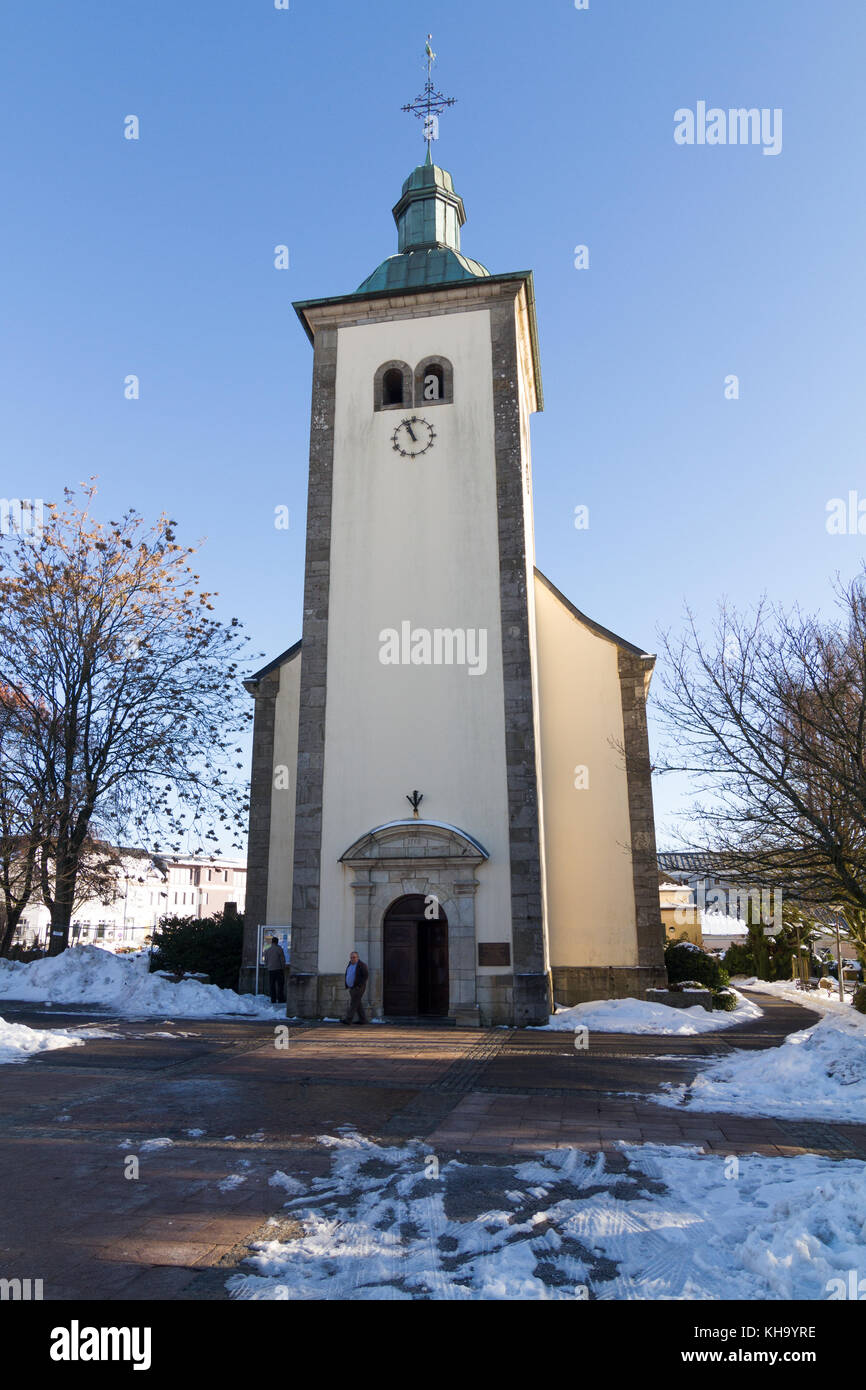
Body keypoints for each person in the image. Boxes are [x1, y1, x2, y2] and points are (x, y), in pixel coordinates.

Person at [342, 950, 368, 1024]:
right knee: (358, 1003)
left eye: (354, 957)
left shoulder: (362, 965)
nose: (352, 959)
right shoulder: (350, 964)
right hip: (351, 988)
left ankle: (348, 1019)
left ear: (357, 957)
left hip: (358, 988)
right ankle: (363, 1020)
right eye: (351, 957)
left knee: (353, 1004)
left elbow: (365, 976)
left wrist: (359, 985)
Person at [264, 935, 287, 1005]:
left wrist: (268, 966)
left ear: (272, 942)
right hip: (278, 969)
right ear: (277, 942)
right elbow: (282, 960)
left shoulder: (267, 949)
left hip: (271, 969)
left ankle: (273, 999)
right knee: (280, 984)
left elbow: (266, 960)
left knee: (272, 985)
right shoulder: (279, 949)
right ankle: (280, 999)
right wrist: (283, 967)